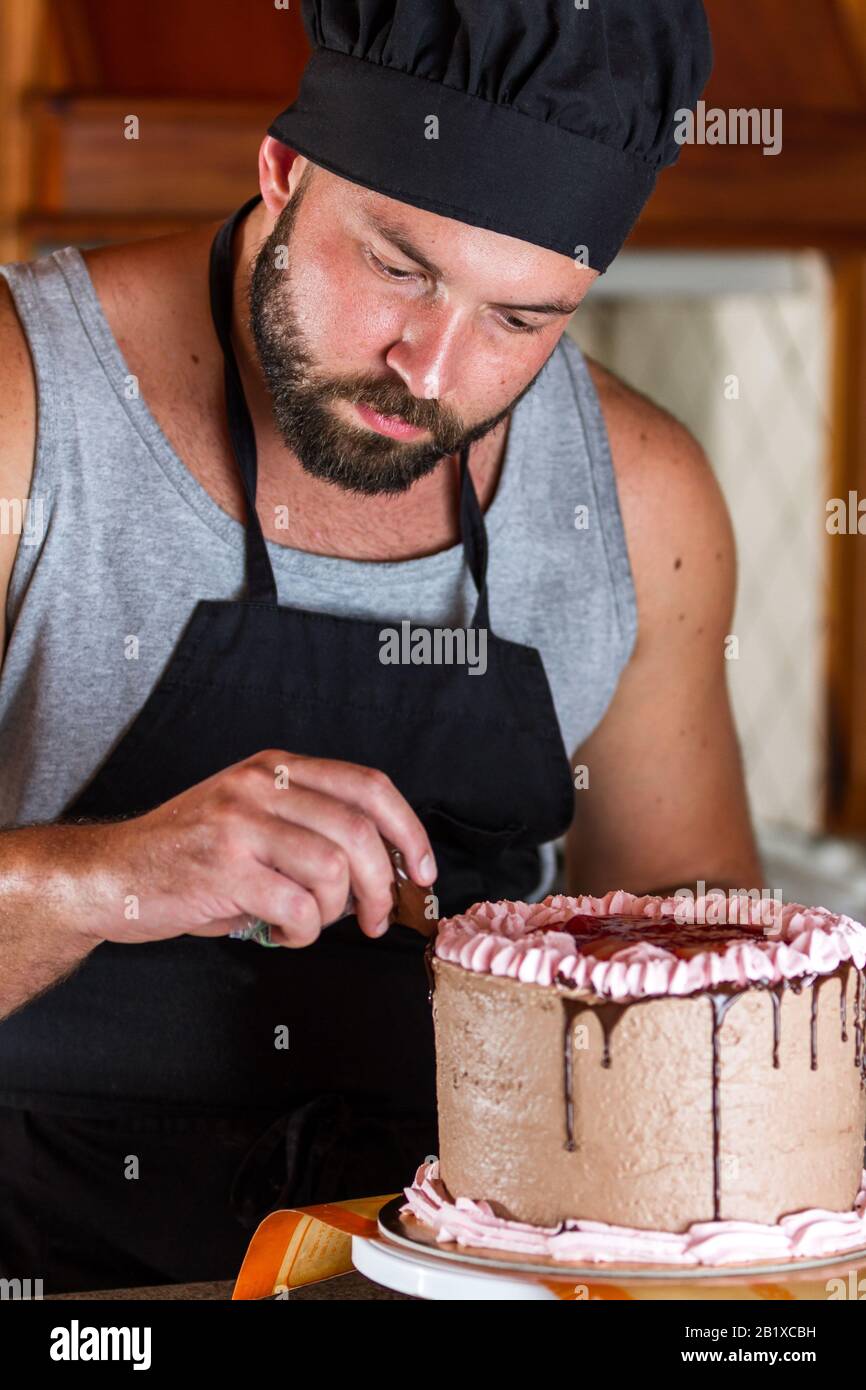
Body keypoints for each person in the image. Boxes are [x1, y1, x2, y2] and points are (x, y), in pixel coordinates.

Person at [0, 0, 759, 1292]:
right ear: (284, 171)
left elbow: (701, 971)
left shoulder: (643, 505)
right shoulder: (28, 414)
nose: (432, 367)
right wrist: (109, 877)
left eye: (520, 321)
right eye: (400, 269)